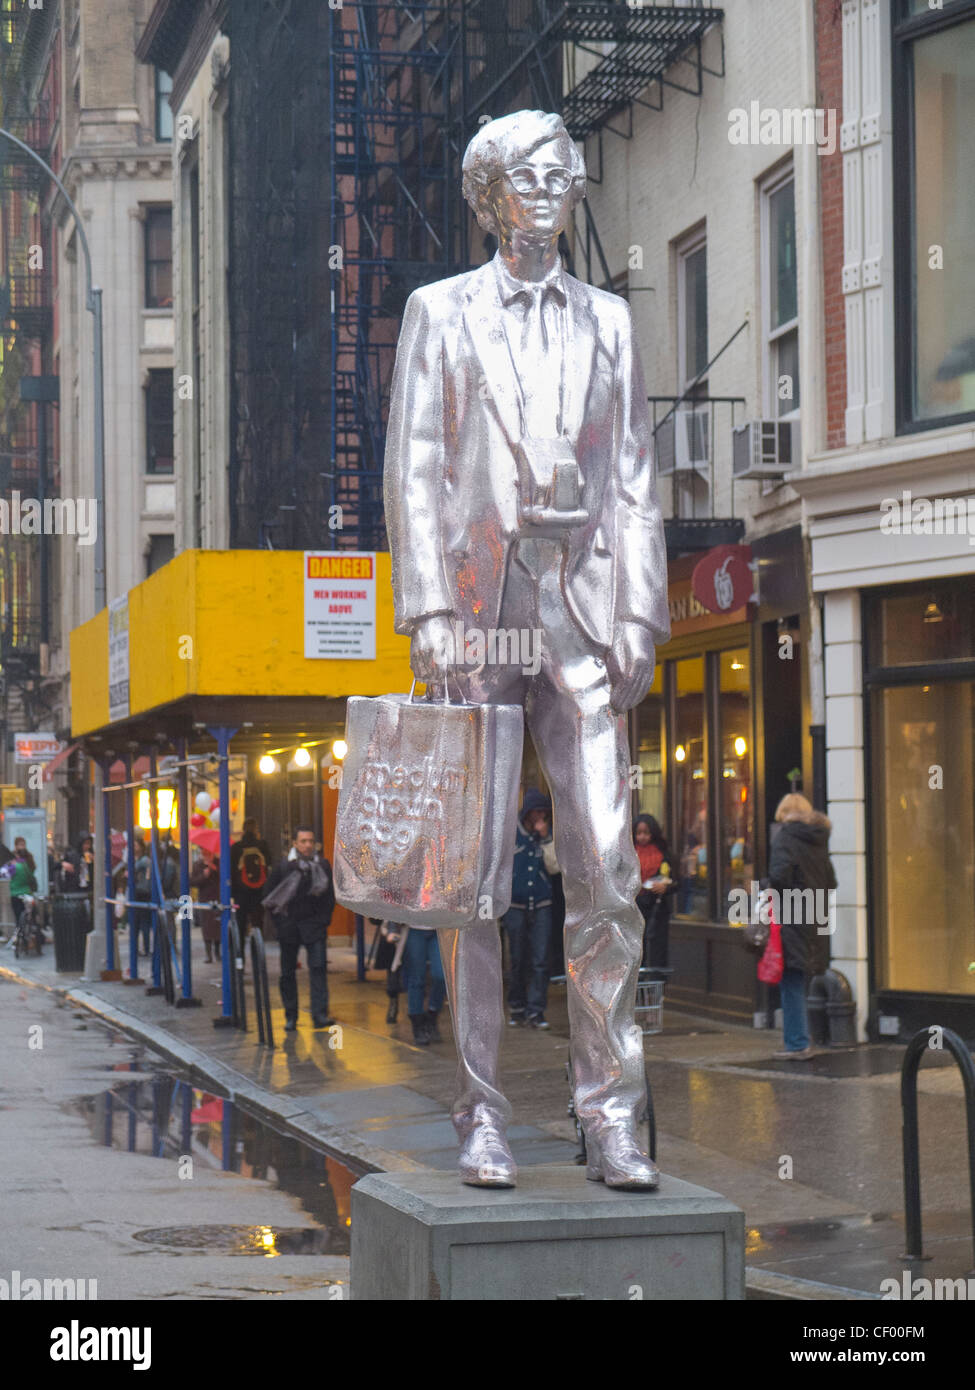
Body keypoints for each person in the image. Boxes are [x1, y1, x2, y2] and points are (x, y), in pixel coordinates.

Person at [384, 110, 670, 1189]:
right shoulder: (439, 313)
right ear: (489, 195)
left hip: (584, 617)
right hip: (477, 612)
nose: (552, 188)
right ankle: (482, 1112)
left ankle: (607, 1115)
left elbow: (636, 472)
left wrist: (641, 613)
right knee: (474, 883)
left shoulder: (610, 322)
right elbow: (412, 468)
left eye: (563, 172)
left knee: (605, 872)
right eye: (529, 175)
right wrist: (429, 611)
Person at [767, 792, 838, 1060]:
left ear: (784, 813)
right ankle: (801, 1039)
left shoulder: (785, 837)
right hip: (817, 914)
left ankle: (797, 1043)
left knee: (791, 979)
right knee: (803, 976)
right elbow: (831, 881)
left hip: (793, 915)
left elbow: (779, 876)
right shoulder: (819, 840)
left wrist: (767, 886)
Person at [262, 827, 336, 1032]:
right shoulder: (284, 867)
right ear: (295, 843)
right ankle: (291, 1016)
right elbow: (269, 896)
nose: (308, 845)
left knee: (319, 969)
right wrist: (280, 924)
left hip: (314, 926)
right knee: (287, 973)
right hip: (289, 927)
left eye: (311, 841)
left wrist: (324, 921)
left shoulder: (322, 865)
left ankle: (320, 1014)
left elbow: (329, 896)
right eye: (303, 841)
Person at [501, 789, 555, 1029]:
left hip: (542, 904)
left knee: (540, 959)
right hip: (515, 905)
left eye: (544, 813)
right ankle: (517, 1006)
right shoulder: (513, 834)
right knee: (517, 957)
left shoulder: (550, 836)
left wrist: (545, 839)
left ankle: (536, 1010)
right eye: (536, 812)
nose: (540, 817)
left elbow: (554, 868)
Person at [633, 814, 674, 971]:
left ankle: (656, 987)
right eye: (639, 833)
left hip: (657, 909)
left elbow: (676, 880)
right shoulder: (629, 853)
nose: (642, 837)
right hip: (636, 907)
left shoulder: (663, 853)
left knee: (657, 950)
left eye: (646, 833)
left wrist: (665, 887)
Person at [399, 923, 446, 1044]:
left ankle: (432, 1015)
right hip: (414, 928)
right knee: (416, 978)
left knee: (441, 976)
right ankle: (417, 1025)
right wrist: (392, 928)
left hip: (439, 928)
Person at [230, 817, 272, 938]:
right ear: (255, 829)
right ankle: (257, 951)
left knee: (240, 923)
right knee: (257, 923)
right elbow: (268, 862)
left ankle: (240, 954)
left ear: (243, 830)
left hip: (240, 892)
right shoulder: (262, 845)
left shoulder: (236, 847)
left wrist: (232, 893)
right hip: (258, 891)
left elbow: (232, 870)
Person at [190, 847, 222, 963]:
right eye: (204, 853)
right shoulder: (198, 865)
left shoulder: (218, 862)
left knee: (217, 924)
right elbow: (192, 882)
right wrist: (204, 876)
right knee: (207, 927)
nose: (206, 856)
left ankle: (217, 951)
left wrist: (214, 869)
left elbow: (225, 877)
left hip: (217, 897)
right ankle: (208, 953)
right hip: (204, 898)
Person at [372, 918, 404, 1025]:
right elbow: (373, 919)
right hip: (390, 936)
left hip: (408, 931)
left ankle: (395, 1007)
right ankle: (393, 1005)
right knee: (392, 975)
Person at [8, 838, 37, 936]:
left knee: (26, 916)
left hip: (22, 891)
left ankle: (23, 936)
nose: (21, 846)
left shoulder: (24, 858)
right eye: (20, 844)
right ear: (16, 845)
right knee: (22, 916)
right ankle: (24, 936)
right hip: (22, 891)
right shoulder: (13, 859)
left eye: (23, 844)